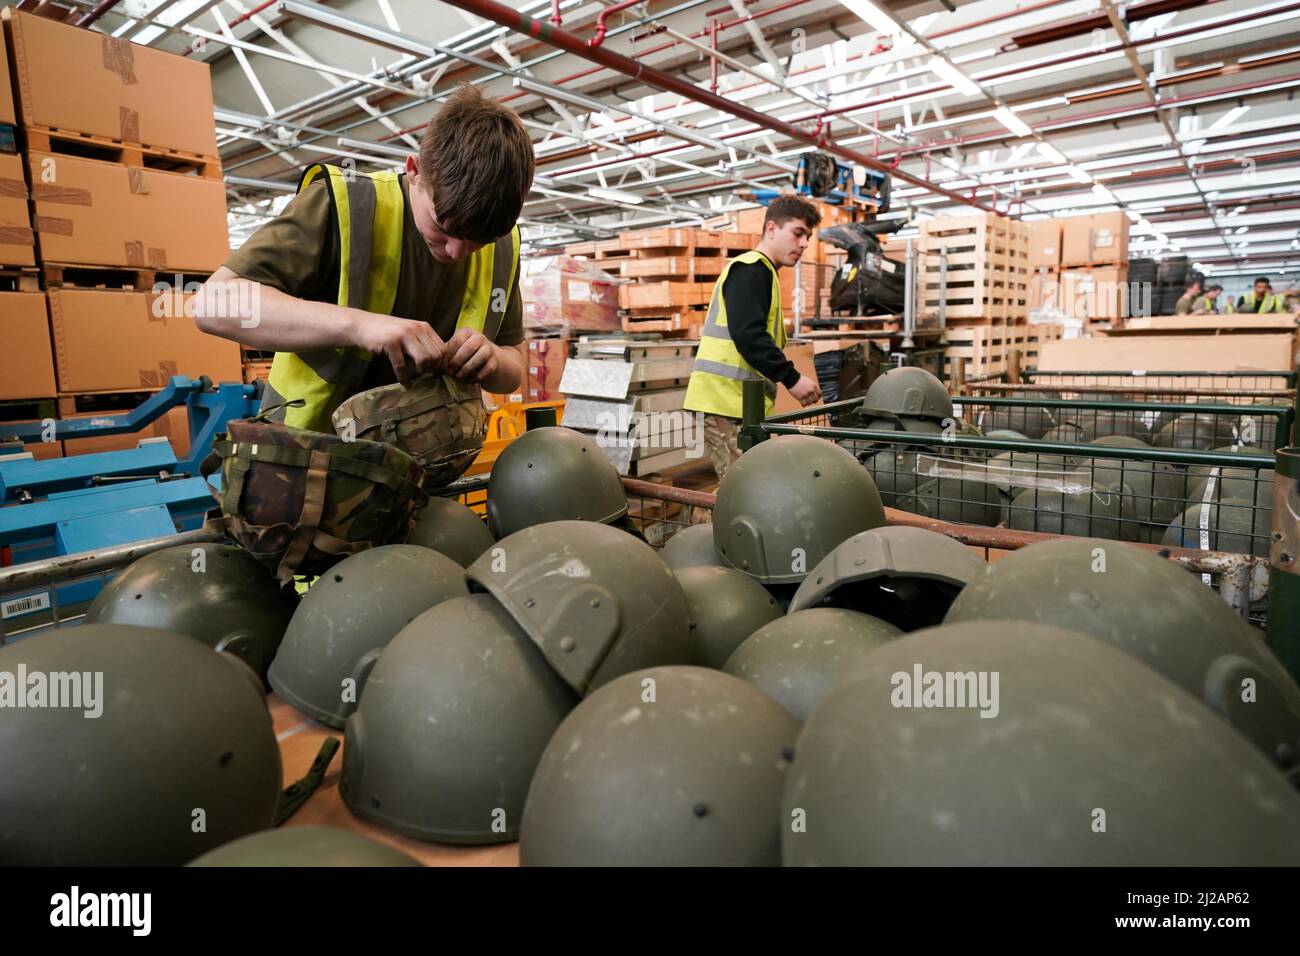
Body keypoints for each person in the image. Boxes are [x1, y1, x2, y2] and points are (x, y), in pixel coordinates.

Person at [193, 84, 534, 431]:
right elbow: (212, 305)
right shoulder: (345, 208)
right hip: (306, 460)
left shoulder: (506, 247)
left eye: (480, 241)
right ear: (414, 171)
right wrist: (361, 325)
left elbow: (514, 365)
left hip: (426, 466)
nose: (456, 252)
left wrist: (494, 361)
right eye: (442, 228)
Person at [683, 195, 824, 481]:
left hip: (736, 402)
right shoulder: (750, 269)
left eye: (807, 237)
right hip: (724, 401)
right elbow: (748, 334)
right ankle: (703, 527)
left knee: (745, 483)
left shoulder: (764, 273)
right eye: (797, 233)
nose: (804, 244)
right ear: (771, 229)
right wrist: (792, 378)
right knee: (743, 486)